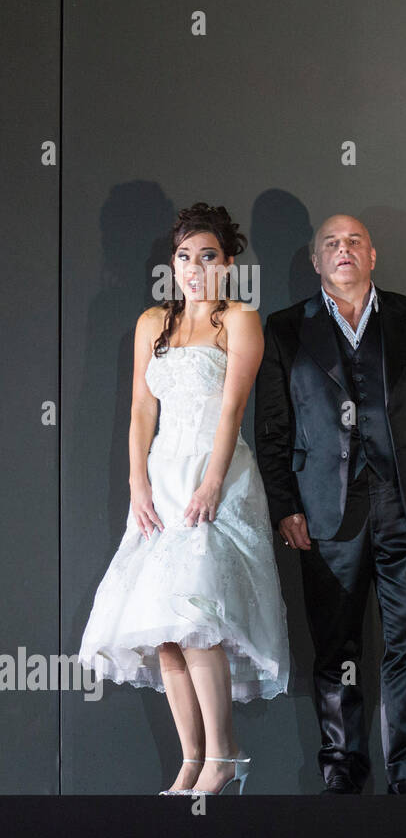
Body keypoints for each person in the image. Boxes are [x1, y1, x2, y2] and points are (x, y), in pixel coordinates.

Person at [79, 202, 289, 795]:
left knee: (198, 619)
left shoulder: (240, 320)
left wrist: (214, 481)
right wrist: (136, 482)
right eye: (184, 257)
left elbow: (232, 409)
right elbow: (141, 409)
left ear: (227, 263)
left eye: (207, 257)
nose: (194, 268)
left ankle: (226, 756)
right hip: (160, 480)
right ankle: (192, 759)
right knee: (161, 626)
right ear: (172, 264)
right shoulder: (153, 322)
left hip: (215, 476)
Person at [255, 215, 406, 795]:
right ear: (316, 262)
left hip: (401, 504)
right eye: (331, 244)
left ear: (373, 254)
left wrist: (402, 459)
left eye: (354, 241)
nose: (343, 250)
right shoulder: (286, 328)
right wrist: (286, 504)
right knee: (336, 647)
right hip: (323, 512)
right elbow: (272, 428)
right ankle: (342, 770)